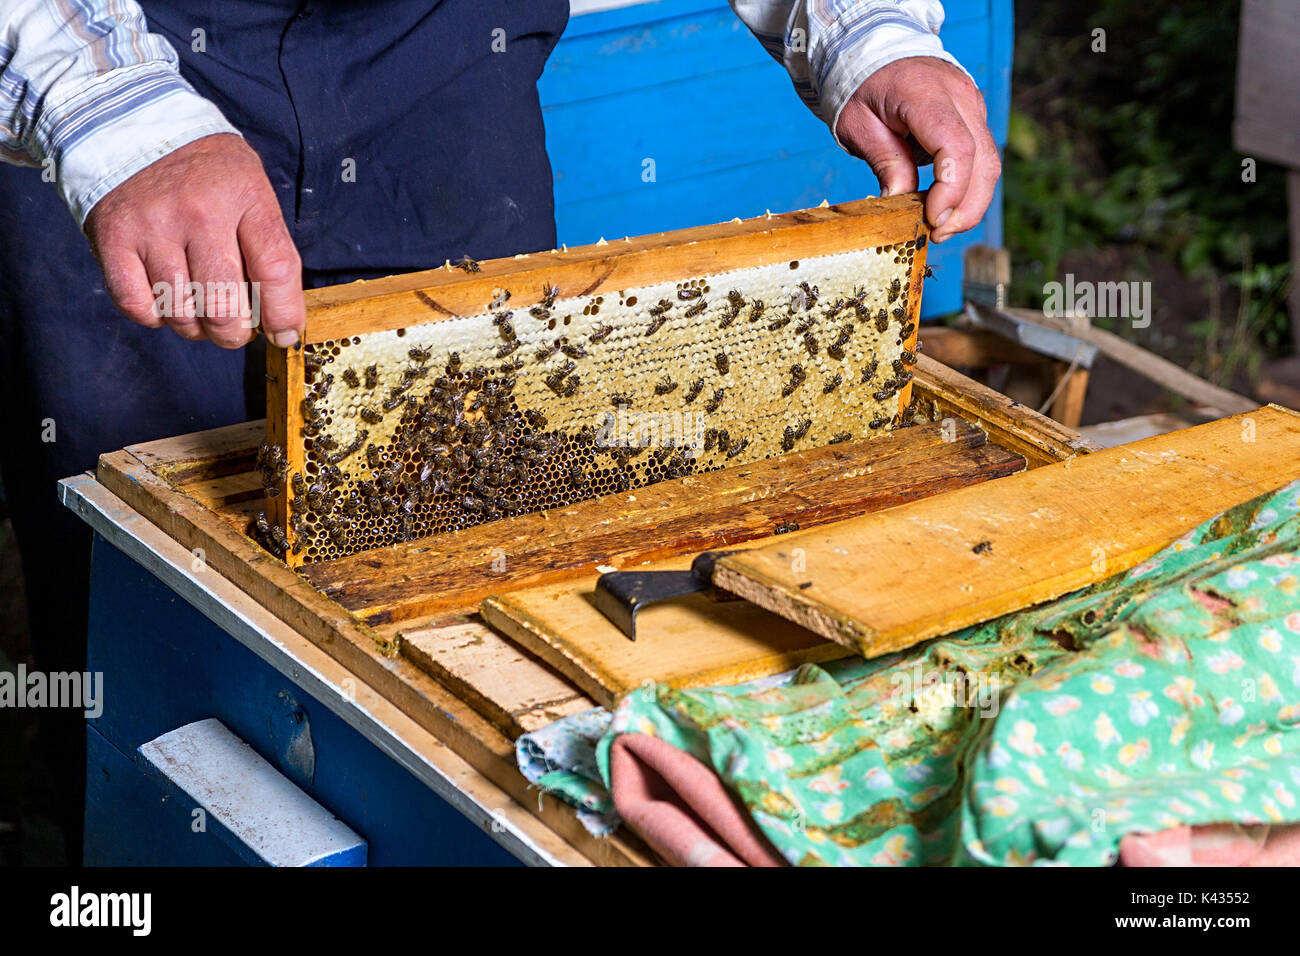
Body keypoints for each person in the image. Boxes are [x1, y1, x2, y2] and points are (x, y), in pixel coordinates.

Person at [0, 0, 1000, 861]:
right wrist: (103, 108)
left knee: (487, 496)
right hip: (112, 23)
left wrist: (864, 30)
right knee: (132, 545)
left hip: (442, 45)